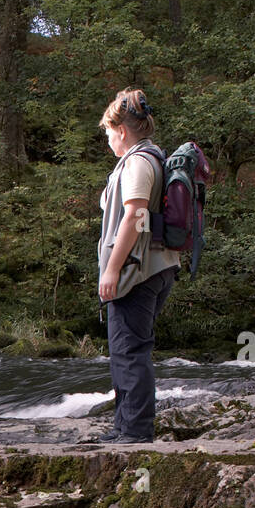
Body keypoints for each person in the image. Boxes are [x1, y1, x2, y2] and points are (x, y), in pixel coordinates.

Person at [97, 87, 180, 443]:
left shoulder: (137, 162)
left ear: (121, 130)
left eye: (108, 133)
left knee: (130, 351)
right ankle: (124, 428)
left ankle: (134, 432)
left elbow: (133, 216)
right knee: (128, 348)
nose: (108, 140)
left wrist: (111, 269)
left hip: (137, 271)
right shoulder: (153, 158)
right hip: (157, 267)